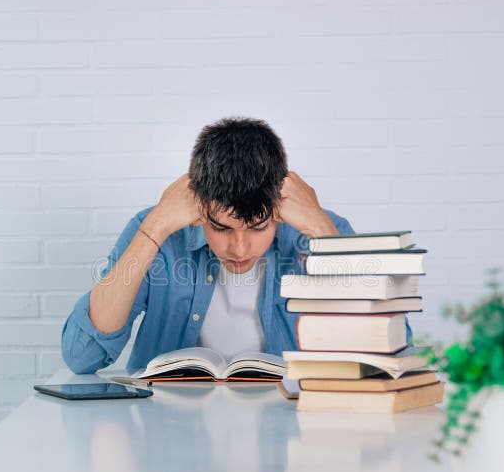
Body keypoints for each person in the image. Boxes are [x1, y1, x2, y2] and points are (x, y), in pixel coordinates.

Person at [61, 116, 411, 374]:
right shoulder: (155, 230)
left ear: (280, 209)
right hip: (165, 428)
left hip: (288, 426)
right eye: (222, 228)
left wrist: (322, 228)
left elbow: (392, 354)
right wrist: (155, 227)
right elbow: (82, 357)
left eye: (258, 227)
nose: (240, 248)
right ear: (198, 209)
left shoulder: (318, 231)